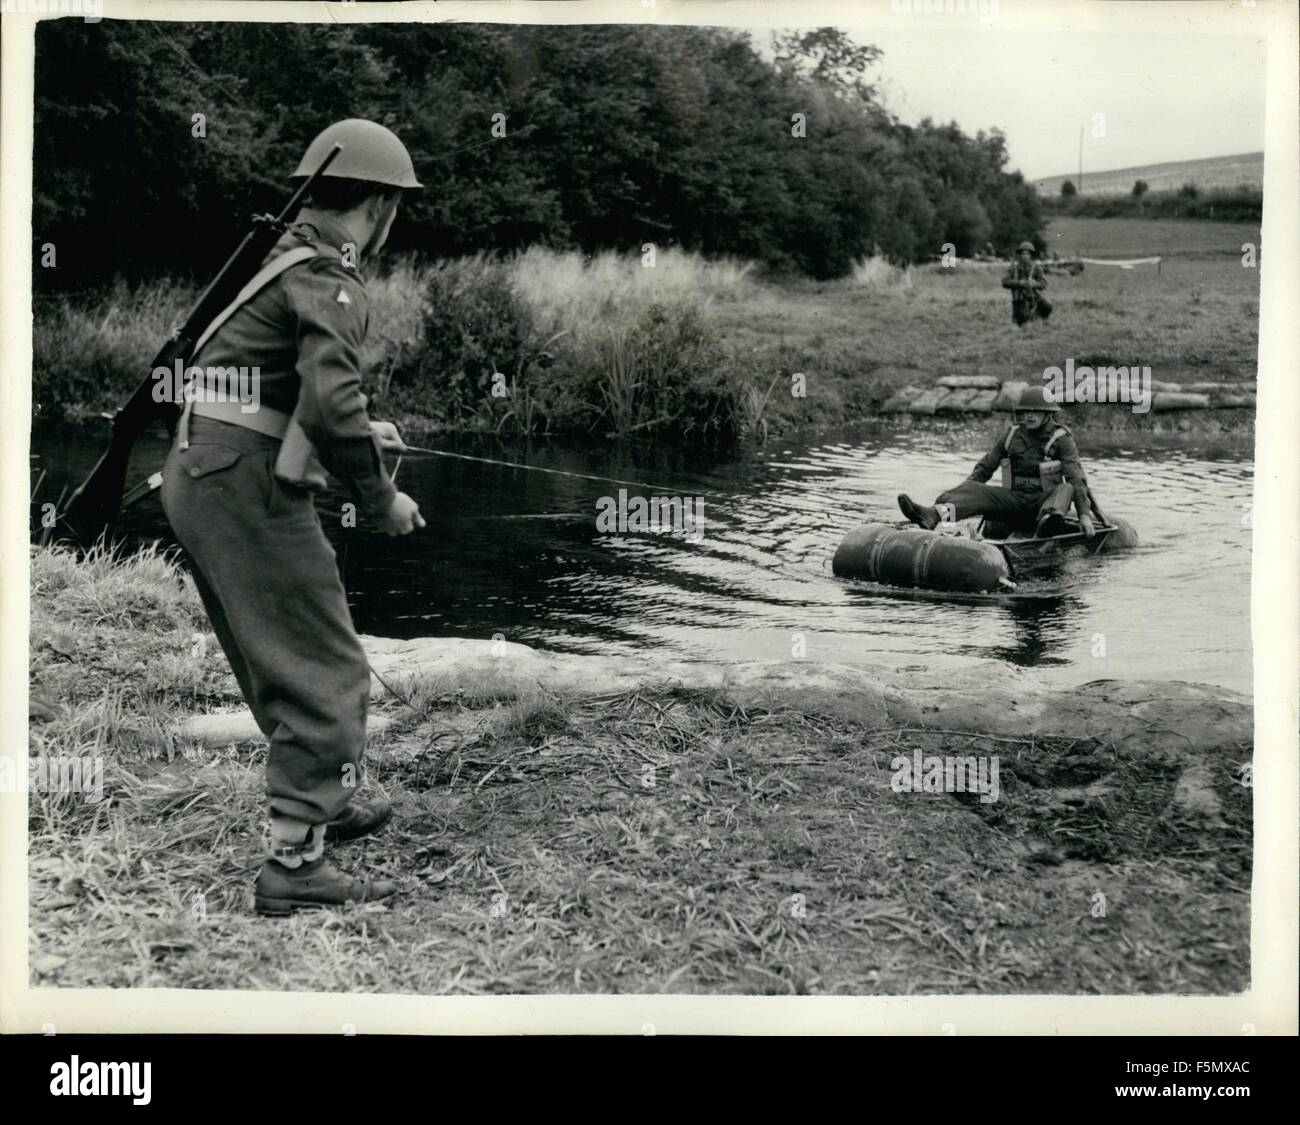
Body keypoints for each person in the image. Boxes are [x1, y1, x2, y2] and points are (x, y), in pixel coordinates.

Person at [160, 119, 426, 915]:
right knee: (325, 662)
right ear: (380, 205)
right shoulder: (332, 277)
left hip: (200, 469)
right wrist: (381, 499)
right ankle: (294, 865)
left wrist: (354, 437)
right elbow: (333, 404)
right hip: (239, 483)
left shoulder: (280, 260)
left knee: (280, 651)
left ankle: (325, 798)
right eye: (394, 208)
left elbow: (276, 395)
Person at [897, 385, 1096, 539]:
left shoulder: (1061, 438)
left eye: (1035, 411)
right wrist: (958, 496)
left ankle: (1047, 527)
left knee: (1067, 488)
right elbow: (985, 468)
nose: (1029, 415)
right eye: (1026, 411)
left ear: (1048, 414)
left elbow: (1076, 477)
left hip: (1043, 503)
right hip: (1014, 501)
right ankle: (934, 516)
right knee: (975, 488)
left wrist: (1084, 515)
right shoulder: (1012, 435)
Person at [1003, 240, 1053, 326]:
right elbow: (1004, 281)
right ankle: (1029, 319)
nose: (1025, 256)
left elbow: (1044, 283)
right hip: (1019, 300)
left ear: (1031, 255)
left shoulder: (1036, 267)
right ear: (1020, 255)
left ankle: (1039, 317)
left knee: (1047, 306)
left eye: (1027, 254)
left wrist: (1035, 284)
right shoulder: (1014, 267)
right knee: (1023, 320)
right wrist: (1019, 283)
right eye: (1023, 254)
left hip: (1033, 297)